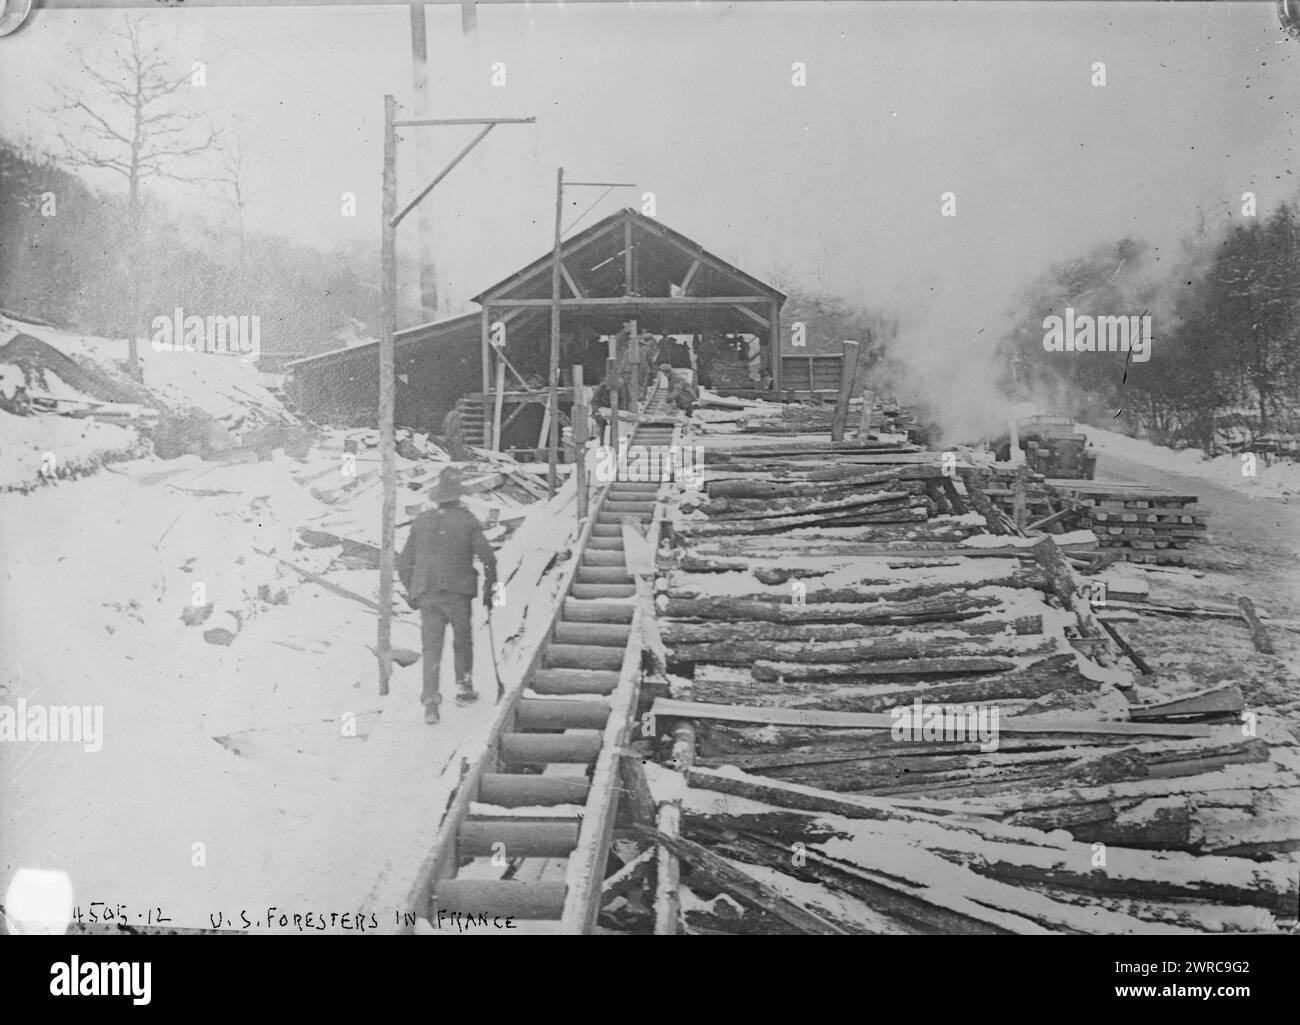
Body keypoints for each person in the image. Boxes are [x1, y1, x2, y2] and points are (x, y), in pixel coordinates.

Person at [397, 467, 497, 724]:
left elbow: (404, 561)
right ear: (458, 496)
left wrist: (413, 591)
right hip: (458, 594)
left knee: (431, 648)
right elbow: (489, 558)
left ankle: (430, 702)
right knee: (462, 641)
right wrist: (490, 589)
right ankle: (464, 688)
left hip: (428, 595)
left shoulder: (422, 520)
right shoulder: (467, 520)